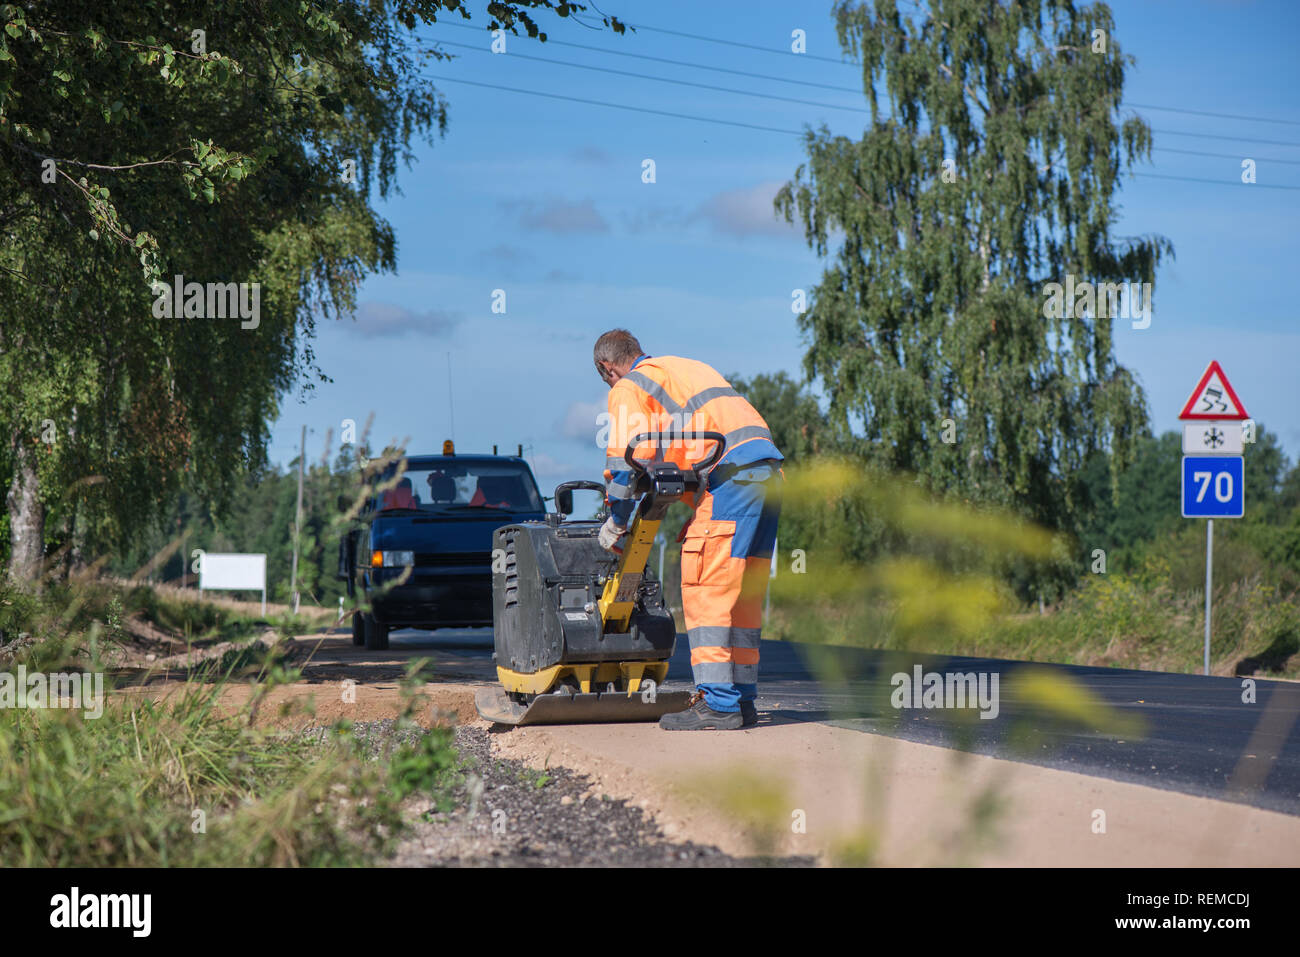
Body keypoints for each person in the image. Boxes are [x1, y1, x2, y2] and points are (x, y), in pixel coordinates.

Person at [593, 329, 783, 730]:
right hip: (767, 475)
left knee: (706, 587)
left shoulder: (629, 386)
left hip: (729, 480)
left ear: (607, 368)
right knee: (742, 596)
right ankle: (742, 700)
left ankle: (719, 704)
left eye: (606, 377)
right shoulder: (685, 369)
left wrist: (618, 520)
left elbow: (629, 458)